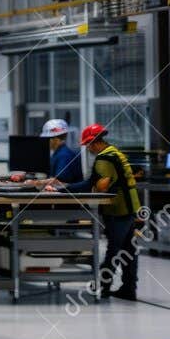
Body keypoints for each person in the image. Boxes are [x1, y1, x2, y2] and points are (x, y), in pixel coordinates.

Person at [50, 123, 141, 300]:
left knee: (113, 250)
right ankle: (129, 288)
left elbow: (94, 184)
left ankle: (103, 288)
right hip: (130, 208)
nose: (88, 149)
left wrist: (61, 191)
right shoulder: (114, 151)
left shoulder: (104, 159)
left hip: (118, 209)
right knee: (129, 249)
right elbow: (95, 182)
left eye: (88, 145)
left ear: (93, 142)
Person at [40, 118, 85, 184]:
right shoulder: (59, 153)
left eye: (47, 138)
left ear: (55, 139)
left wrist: (35, 182)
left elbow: (59, 182)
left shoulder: (64, 156)